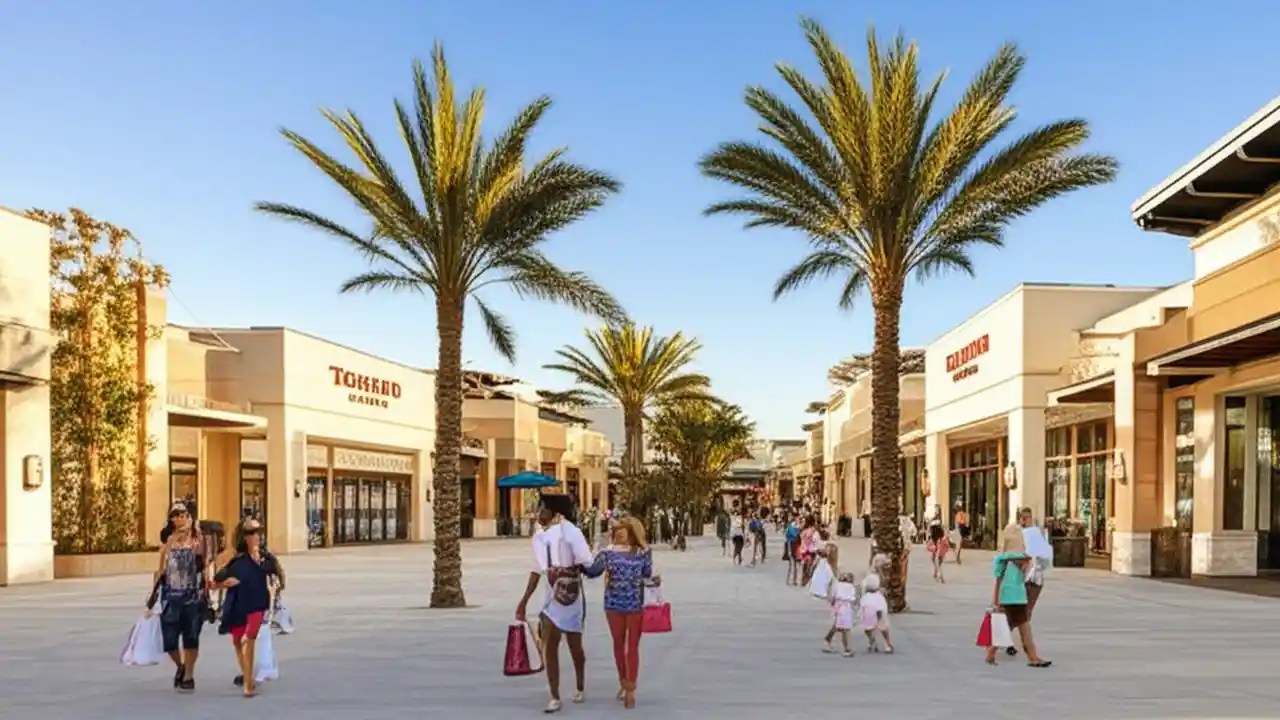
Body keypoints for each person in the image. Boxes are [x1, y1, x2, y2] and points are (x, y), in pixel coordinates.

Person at [515, 493, 595, 713]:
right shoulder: (541, 536)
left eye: (542, 509)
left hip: (571, 597)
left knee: (574, 645)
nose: (539, 513)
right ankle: (554, 695)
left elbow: (586, 562)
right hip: (550, 599)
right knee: (549, 646)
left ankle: (580, 686)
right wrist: (524, 601)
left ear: (555, 513)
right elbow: (536, 569)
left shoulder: (572, 533)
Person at [582, 517, 658, 709]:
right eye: (616, 532)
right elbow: (593, 570)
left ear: (631, 533)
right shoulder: (640, 552)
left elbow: (592, 571)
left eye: (622, 532)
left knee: (623, 645)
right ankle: (627, 685)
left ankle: (627, 686)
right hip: (627, 604)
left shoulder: (616, 553)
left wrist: (584, 557)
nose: (618, 535)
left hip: (621, 604)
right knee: (628, 645)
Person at [212, 518, 285, 698]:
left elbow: (279, 574)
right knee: (237, 641)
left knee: (248, 639)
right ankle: (247, 675)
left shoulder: (266, 558)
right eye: (252, 533)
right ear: (244, 537)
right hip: (238, 604)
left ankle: (248, 685)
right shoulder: (236, 559)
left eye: (258, 531)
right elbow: (216, 580)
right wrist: (225, 584)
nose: (257, 536)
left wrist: (277, 586)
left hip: (257, 603)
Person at [151, 501, 209, 692]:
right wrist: (153, 595)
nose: (179, 519)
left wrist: (208, 590)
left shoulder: (198, 540)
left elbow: (207, 564)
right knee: (169, 642)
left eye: (183, 515)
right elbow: (160, 570)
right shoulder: (168, 541)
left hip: (193, 596)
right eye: (175, 515)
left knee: (191, 638)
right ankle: (180, 666)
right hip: (170, 596)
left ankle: (189, 674)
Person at [985, 523, 1050, 668]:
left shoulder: (1001, 560)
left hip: (1006, 596)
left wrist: (996, 600)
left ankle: (1031, 656)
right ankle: (993, 652)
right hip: (1018, 596)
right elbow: (1029, 572)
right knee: (1018, 627)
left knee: (1016, 626)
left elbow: (998, 580)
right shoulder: (1023, 558)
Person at [823, 572, 857, 657]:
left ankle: (828, 640)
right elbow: (853, 599)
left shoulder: (837, 585)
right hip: (845, 607)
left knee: (838, 626)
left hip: (838, 606)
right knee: (845, 628)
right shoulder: (851, 587)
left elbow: (833, 597)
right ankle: (847, 649)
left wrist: (833, 605)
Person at [860, 573, 893, 653]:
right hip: (874, 613)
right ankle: (880, 642)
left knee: (875, 628)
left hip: (875, 613)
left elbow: (864, 606)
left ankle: (881, 642)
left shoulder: (872, 596)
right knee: (877, 629)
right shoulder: (874, 596)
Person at [927, 516, 950, 583]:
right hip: (942, 552)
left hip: (937, 552)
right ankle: (935, 573)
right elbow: (947, 544)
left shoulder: (934, 538)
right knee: (938, 563)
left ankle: (941, 576)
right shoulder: (943, 537)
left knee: (937, 563)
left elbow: (929, 546)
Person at [784, 516, 802, 586]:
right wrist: (798, 529)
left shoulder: (794, 527)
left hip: (795, 547)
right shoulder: (791, 528)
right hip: (791, 546)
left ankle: (794, 580)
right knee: (792, 564)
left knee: (795, 564)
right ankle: (790, 580)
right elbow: (795, 535)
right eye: (797, 520)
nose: (799, 522)